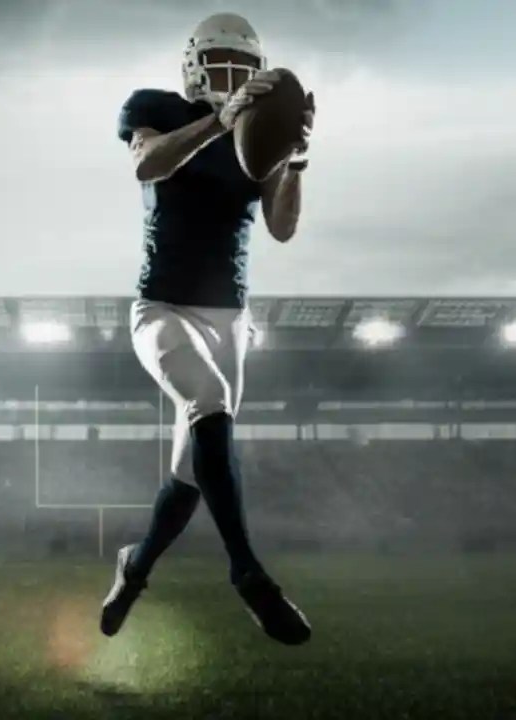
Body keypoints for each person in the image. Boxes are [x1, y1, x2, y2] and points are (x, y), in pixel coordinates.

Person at [99, 12, 314, 645]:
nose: (231, 81)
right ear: (194, 67)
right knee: (209, 402)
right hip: (162, 307)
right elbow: (148, 165)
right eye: (220, 67)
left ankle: (135, 568)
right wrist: (218, 122)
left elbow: (282, 226)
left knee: (191, 475)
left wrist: (295, 158)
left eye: (242, 71)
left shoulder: (255, 135)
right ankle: (247, 572)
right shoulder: (155, 106)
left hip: (230, 318)